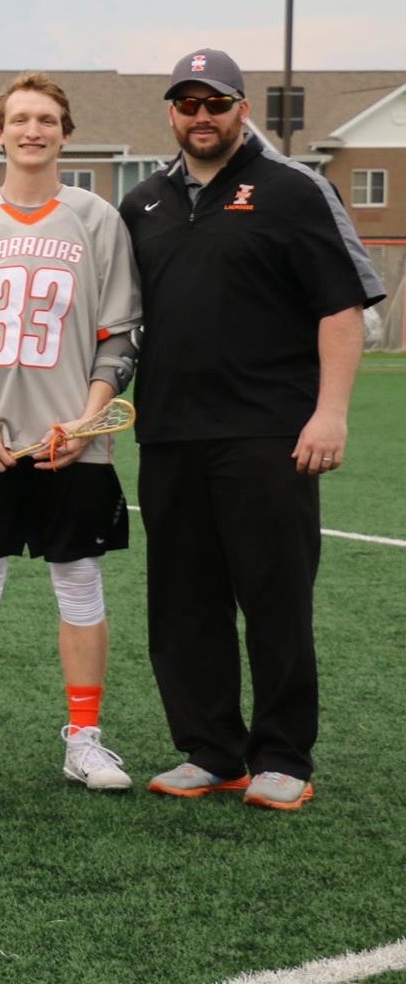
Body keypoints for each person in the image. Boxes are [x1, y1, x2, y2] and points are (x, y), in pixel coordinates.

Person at [120, 49, 384, 811]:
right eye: (187, 104)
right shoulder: (141, 204)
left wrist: (329, 411)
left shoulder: (292, 188)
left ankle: (281, 757)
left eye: (215, 103)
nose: (200, 116)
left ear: (242, 109)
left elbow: (340, 307)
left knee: (274, 599)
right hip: (169, 434)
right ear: (171, 113)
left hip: (268, 434)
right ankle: (211, 752)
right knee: (182, 605)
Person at [0, 73, 142, 792]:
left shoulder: (96, 219)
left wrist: (88, 421)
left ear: (65, 133)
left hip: (73, 442)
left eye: (46, 120)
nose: (32, 130)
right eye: (19, 119)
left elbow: (120, 336)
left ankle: (85, 739)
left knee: (80, 583)